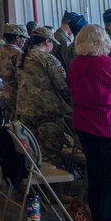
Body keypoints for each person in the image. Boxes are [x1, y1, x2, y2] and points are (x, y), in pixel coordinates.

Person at [66, 24, 111, 221]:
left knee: (95, 170)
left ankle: (96, 214)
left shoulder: (75, 64)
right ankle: (108, 219)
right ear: (103, 40)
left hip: (84, 124)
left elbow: (70, 88)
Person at [15, 30, 72, 164]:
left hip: (25, 109)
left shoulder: (22, 57)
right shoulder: (47, 58)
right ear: (47, 41)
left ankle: (34, 176)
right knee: (49, 153)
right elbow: (62, 84)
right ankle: (51, 178)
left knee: (32, 152)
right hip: (47, 111)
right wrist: (72, 104)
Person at [0, 23, 28, 121]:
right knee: (18, 124)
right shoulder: (19, 54)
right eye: (23, 38)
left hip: (3, 93)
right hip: (16, 95)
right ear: (17, 38)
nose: (25, 41)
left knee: (8, 123)